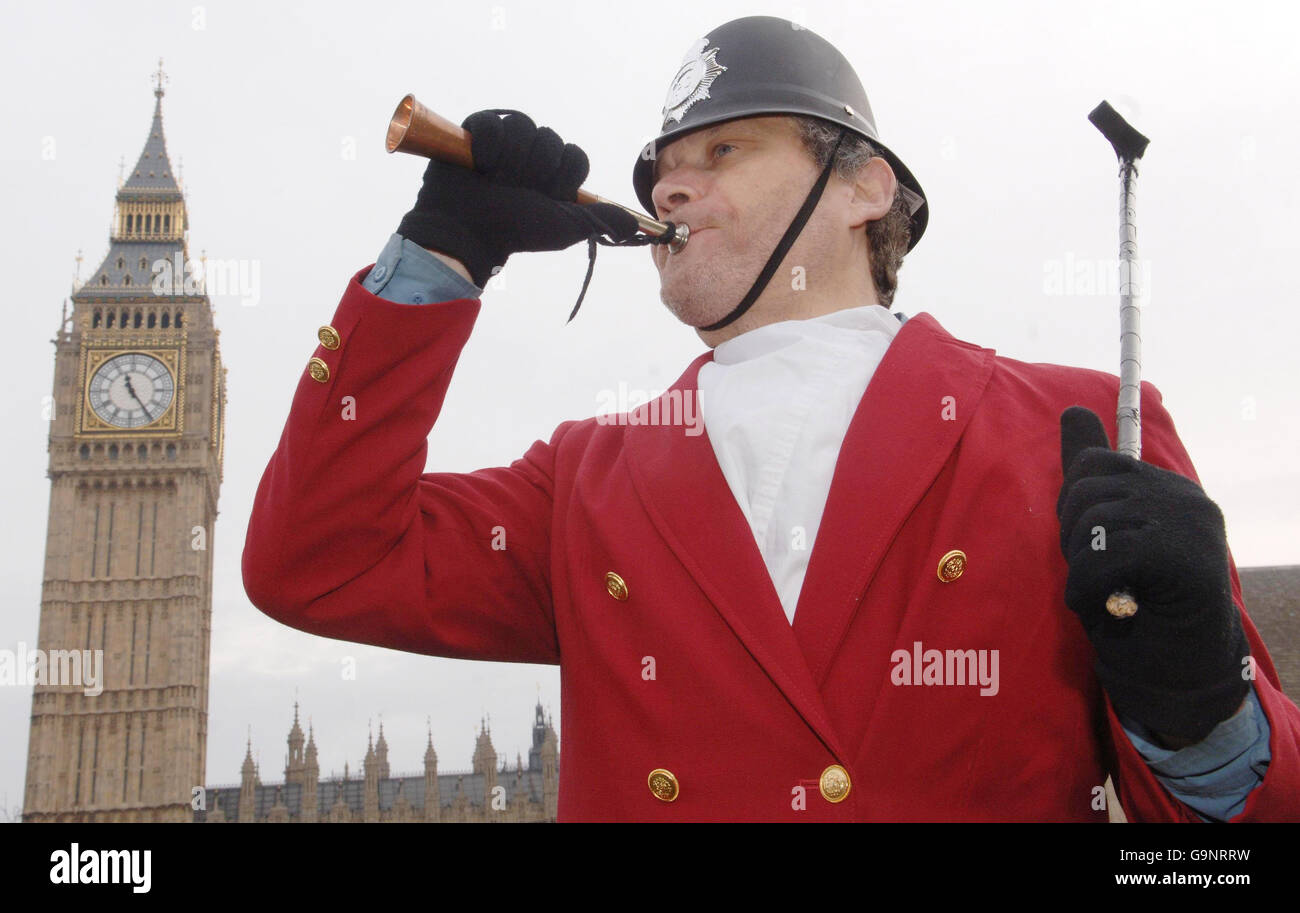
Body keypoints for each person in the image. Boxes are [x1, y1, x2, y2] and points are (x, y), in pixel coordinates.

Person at [243, 15, 1299, 821]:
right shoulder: (585, 475)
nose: (672, 182)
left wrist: (1198, 713)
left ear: (863, 188)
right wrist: (442, 250)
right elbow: (315, 559)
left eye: (724, 152)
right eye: (663, 166)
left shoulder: (1078, 424)